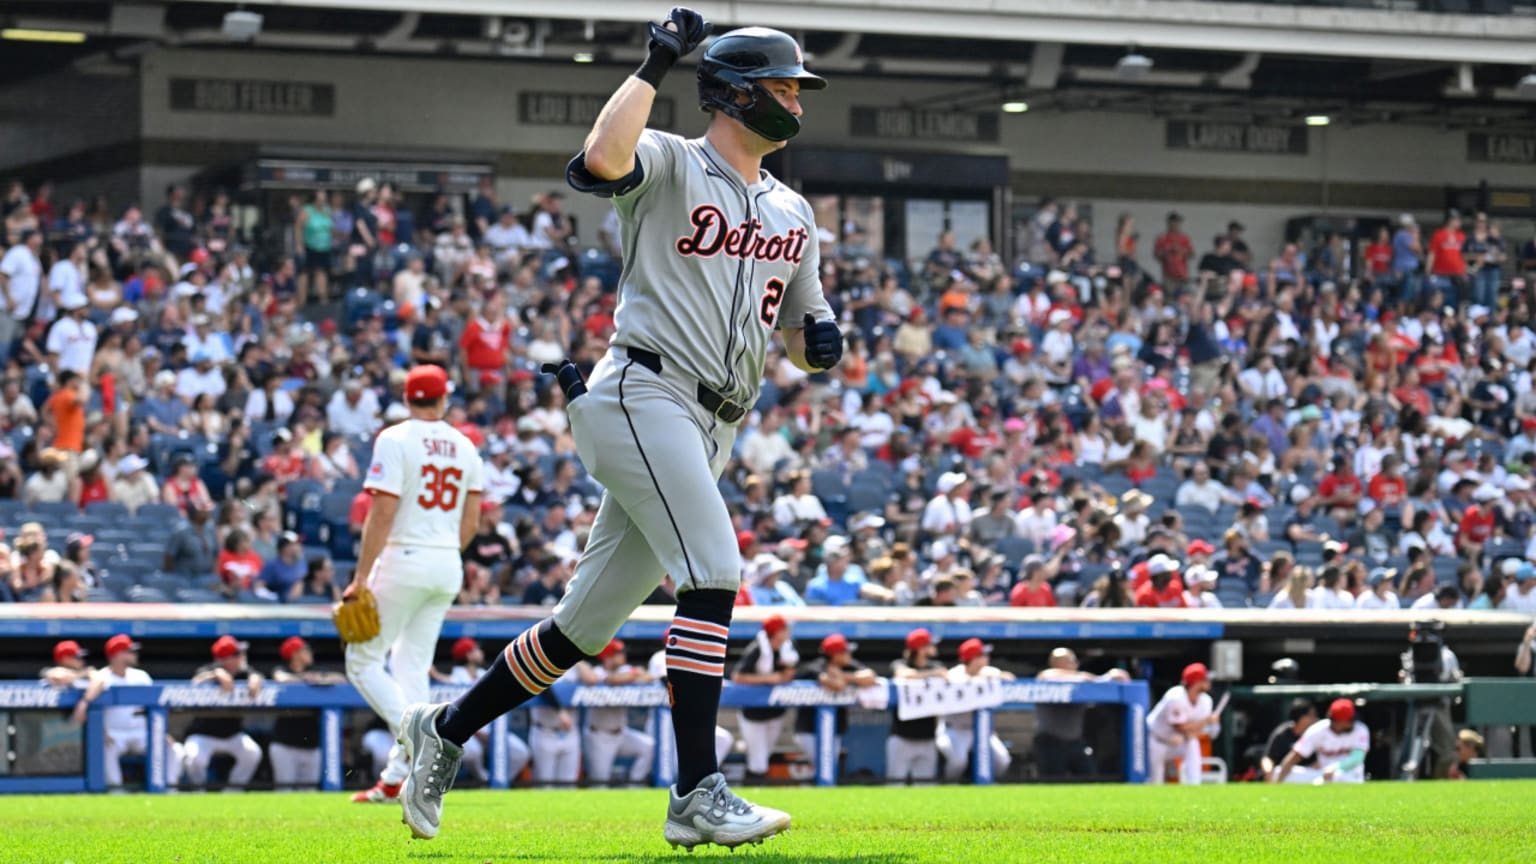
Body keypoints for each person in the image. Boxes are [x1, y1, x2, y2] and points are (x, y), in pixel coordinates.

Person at [397, 17, 840, 850]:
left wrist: (816, 344)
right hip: (644, 391)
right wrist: (656, 60)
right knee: (714, 571)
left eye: (794, 88)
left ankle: (446, 728)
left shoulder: (793, 208)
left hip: (713, 423)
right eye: (782, 86)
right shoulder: (673, 158)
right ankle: (696, 792)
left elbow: (800, 329)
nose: (794, 99)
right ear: (737, 92)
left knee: (581, 629)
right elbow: (602, 159)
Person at [343, 364, 484, 804]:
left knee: (362, 660)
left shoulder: (395, 438)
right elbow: (473, 521)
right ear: (444, 400)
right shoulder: (465, 445)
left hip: (405, 555)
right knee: (410, 666)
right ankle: (397, 777)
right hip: (446, 562)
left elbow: (381, 511)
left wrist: (360, 576)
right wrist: (444, 554)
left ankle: (422, 740)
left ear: (407, 399)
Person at [71, 634, 184, 790]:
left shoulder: (141, 676)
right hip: (114, 734)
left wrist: (161, 732)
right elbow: (95, 686)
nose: (134, 654)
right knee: (104, 746)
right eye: (129, 651)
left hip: (141, 732)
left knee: (173, 748)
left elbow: (153, 707)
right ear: (117, 654)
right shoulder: (102, 676)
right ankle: (116, 791)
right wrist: (100, 729)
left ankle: (169, 788)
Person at [436, 638, 532, 786]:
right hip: (469, 731)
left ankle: (498, 781)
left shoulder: (483, 673)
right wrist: (434, 674)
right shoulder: (458, 675)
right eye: (475, 650)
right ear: (468, 655)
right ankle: (483, 779)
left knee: (521, 752)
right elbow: (446, 682)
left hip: (491, 730)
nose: (480, 652)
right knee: (473, 753)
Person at [183, 636, 265, 790]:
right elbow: (196, 681)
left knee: (252, 752)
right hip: (203, 735)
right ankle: (198, 792)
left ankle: (232, 792)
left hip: (232, 735)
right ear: (225, 659)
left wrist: (256, 678)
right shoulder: (208, 670)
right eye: (237, 654)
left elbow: (257, 674)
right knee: (194, 758)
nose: (241, 657)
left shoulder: (243, 673)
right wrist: (216, 674)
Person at [1035, 647, 1130, 777]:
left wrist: (1108, 677)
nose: (1075, 664)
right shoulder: (1047, 676)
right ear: (1058, 662)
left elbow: (1104, 680)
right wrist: (1091, 678)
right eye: (1071, 660)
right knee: (1053, 783)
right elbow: (1047, 677)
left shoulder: (1082, 681)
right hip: (1051, 742)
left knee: (1090, 779)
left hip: (1075, 741)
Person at [575, 639, 657, 785]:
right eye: (618, 653)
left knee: (648, 746)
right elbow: (611, 679)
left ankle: (633, 786)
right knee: (600, 783)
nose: (623, 655)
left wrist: (635, 674)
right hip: (599, 736)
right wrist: (634, 675)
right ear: (608, 656)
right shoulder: (597, 672)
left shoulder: (624, 670)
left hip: (622, 733)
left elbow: (650, 677)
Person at [270, 636, 347, 790]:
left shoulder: (315, 670)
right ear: (295, 654)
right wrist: (304, 679)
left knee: (309, 793)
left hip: (311, 746)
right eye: (306, 650)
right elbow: (280, 678)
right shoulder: (282, 669)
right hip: (284, 744)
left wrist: (319, 678)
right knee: (284, 792)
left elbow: (341, 678)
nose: (310, 653)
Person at [730, 615, 799, 781]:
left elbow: (790, 673)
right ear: (776, 632)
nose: (787, 632)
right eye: (784, 629)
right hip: (753, 713)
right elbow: (737, 676)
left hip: (774, 711)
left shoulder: (787, 647)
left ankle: (756, 789)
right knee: (758, 762)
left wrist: (786, 672)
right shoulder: (757, 648)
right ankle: (752, 791)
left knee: (763, 757)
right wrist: (769, 678)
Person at [792, 634, 876, 769]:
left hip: (835, 729)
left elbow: (871, 677)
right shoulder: (815, 667)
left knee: (827, 768)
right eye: (845, 651)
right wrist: (849, 679)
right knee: (825, 767)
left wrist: (843, 675)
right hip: (809, 729)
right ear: (835, 654)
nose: (849, 654)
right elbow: (837, 685)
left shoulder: (848, 666)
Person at [937, 639, 1015, 781]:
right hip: (955, 729)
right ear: (973, 658)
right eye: (982, 655)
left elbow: (1009, 678)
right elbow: (958, 682)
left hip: (983, 730)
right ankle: (949, 786)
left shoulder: (989, 671)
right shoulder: (955, 673)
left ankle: (992, 787)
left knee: (1002, 760)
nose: (986, 658)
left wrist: (993, 676)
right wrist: (981, 678)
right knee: (958, 762)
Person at [886, 628, 948, 783]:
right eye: (929, 645)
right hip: (902, 737)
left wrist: (933, 674)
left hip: (927, 737)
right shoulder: (900, 664)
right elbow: (903, 674)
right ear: (920, 649)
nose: (934, 647)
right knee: (895, 786)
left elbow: (946, 675)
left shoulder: (936, 665)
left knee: (925, 788)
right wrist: (930, 675)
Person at [1147, 662, 1219, 785]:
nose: (1209, 682)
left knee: (1193, 743)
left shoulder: (1206, 701)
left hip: (1181, 741)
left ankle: (1195, 784)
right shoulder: (1175, 697)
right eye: (1205, 679)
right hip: (1158, 740)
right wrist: (1206, 721)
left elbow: (1197, 731)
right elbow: (1181, 727)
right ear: (1196, 682)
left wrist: (1207, 724)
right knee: (1156, 782)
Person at [1275, 698, 1370, 784]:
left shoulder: (1360, 729)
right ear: (1338, 721)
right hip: (1322, 774)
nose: (1352, 721)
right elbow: (1295, 756)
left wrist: (1334, 768)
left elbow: (1357, 758)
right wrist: (1278, 782)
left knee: (1337, 776)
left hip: (1350, 776)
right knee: (1278, 772)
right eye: (1349, 719)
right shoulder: (1318, 730)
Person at [1261, 699, 1318, 782]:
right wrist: (1268, 772)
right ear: (1301, 718)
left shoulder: (1316, 733)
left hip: (1309, 774)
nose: (1315, 719)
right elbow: (1268, 759)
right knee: (1276, 772)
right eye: (1311, 715)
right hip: (1285, 775)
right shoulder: (1282, 734)